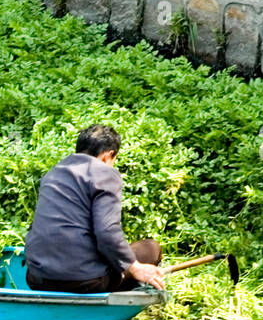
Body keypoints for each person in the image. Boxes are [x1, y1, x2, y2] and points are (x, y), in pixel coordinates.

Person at [23, 124, 165, 293]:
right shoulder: (105, 173)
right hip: (82, 282)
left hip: (36, 278)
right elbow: (106, 231)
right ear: (108, 156)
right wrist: (135, 268)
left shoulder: (53, 173)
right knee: (151, 248)